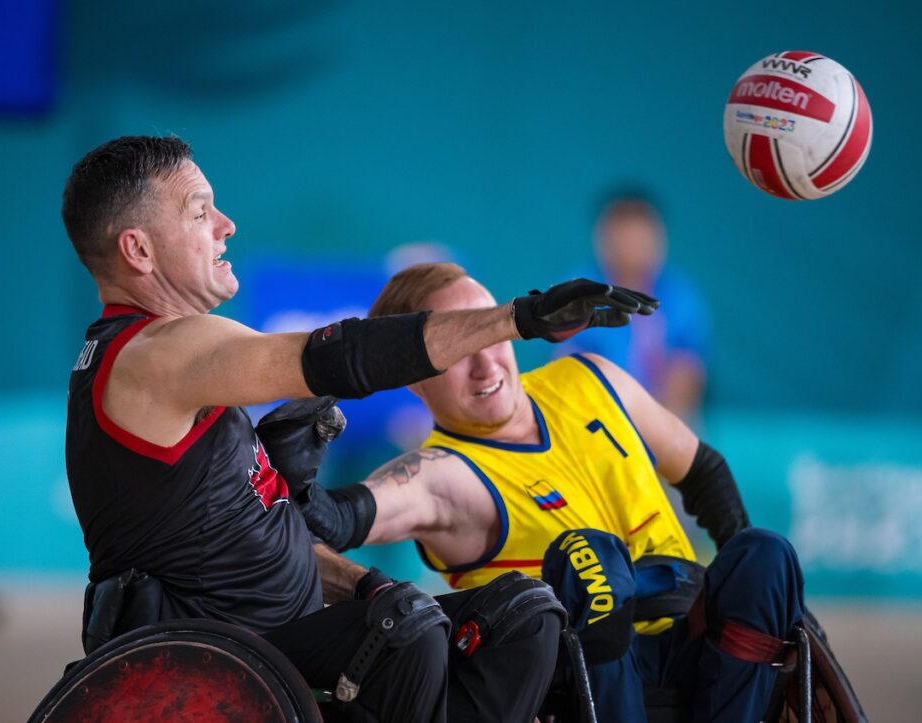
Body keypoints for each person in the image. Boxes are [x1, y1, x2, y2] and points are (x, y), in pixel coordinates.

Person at [59, 135, 656, 722]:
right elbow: (334, 357)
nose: (226, 224)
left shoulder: (173, 360)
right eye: (199, 211)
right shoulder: (156, 353)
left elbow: (259, 543)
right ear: (138, 250)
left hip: (277, 645)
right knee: (408, 635)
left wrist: (365, 582)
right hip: (211, 674)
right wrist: (517, 319)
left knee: (524, 614)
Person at [298, 262, 805, 723]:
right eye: (455, 351)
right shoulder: (437, 474)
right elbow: (328, 524)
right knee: (590, 555)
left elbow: (703, 470)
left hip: (696, 646)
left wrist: (744, 590)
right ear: (412, 379)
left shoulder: (591, 379)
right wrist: (290, 472)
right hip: (586, 687)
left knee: (764, 554)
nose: (484, 364)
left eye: (487, 331)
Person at [557, 192, 711, 424]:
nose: (631, 247)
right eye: (622, 237)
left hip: (667, 426)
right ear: (603, 240)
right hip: (596, 425)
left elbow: (686, 374)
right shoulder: (577, 292)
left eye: (640, 237)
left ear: (659, 240)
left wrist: (658, 433)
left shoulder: (680, 295)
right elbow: (567, 371)